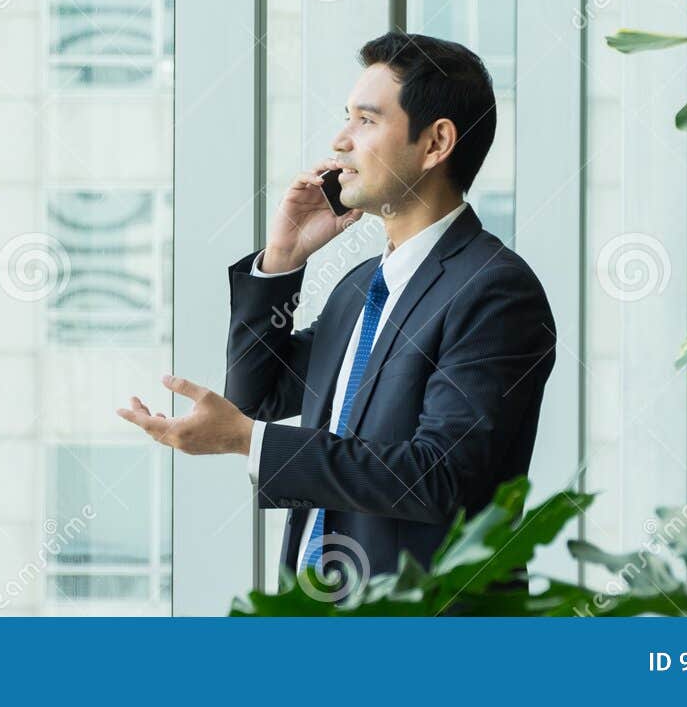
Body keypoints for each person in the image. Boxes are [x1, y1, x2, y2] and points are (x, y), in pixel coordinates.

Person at [117, 31, 556, 591]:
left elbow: (440, 477)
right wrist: (282, 259)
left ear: (436, 143)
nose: (340, 141)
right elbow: (258, 396)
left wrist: (249, 440)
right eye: (346, 118)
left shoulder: (494, 290)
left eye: (366, 120)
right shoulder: (361, 288)